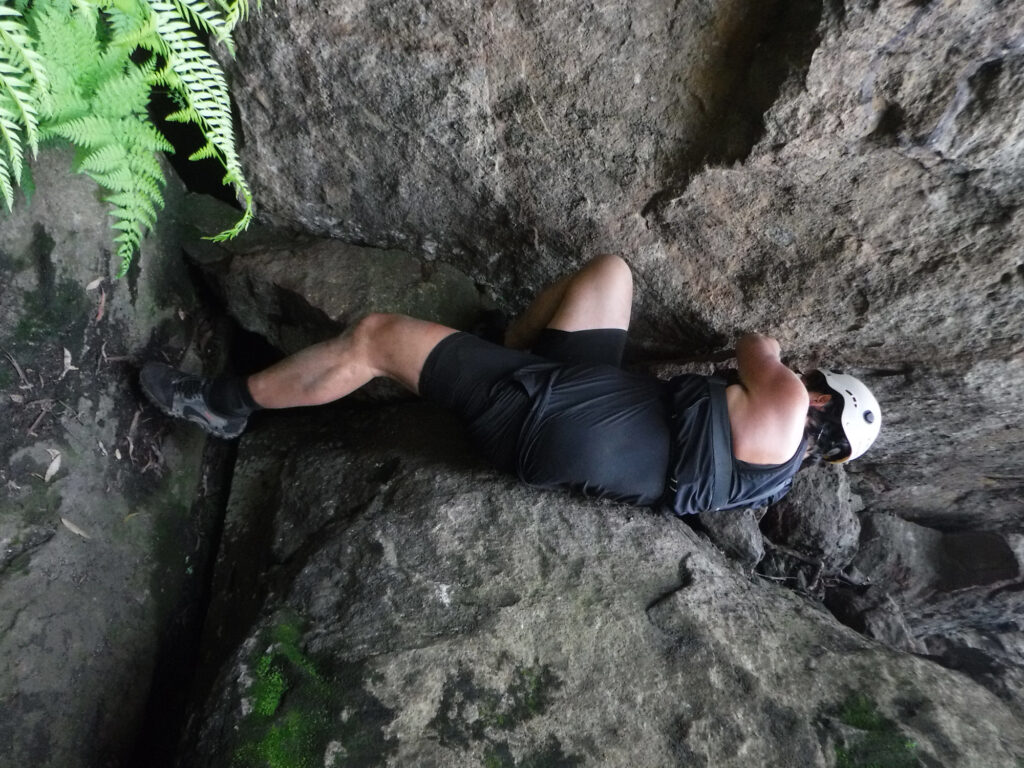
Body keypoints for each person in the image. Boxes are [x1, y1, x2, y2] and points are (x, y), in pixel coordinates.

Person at [140, 255, 881, 515]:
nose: (802, 382)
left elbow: (759, 345)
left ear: (823, 398)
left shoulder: (786, 404)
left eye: (813, 381)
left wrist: (782, 359)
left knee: (374, 337)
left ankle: (223, 407)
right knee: (611, 274)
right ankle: (505, 347)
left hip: (547, 417)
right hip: (595, 417)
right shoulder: (767, 481)